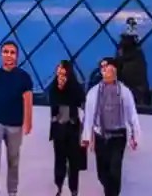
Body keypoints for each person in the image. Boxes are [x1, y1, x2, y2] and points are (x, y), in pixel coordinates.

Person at [81, 57, 140, 196]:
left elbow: (132, 114)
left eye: (108, 67)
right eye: (103, 68)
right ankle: (110, 191)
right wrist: (86, 137)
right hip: (101, 136)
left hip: (118, 136)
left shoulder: (125, 92)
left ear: (114, 70)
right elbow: (89, 116)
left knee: (115, 169)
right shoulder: (94, 92)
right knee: (102, 172)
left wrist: (135, 136)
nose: (105, 70)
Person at [0, 41, 34, 196]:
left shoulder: (24, 77)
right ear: (1, 54)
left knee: (13, 160)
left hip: (15, 125)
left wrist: (28, 123)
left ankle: (12, 191)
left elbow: (28, 101)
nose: (8, 55)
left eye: (12, 52)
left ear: (17, 56)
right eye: (5, 52)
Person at [48, 60, 86, 196]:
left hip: (73, 129)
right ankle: (58, 187)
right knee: (59, 160)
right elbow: (52, 100)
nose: (61, 78)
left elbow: (82, 102)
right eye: (59, 74)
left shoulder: (75, 88)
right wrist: (59, 88)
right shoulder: (53, 88)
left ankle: (74, 190)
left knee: (74, 162)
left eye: (63, 75)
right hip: (59, 130)